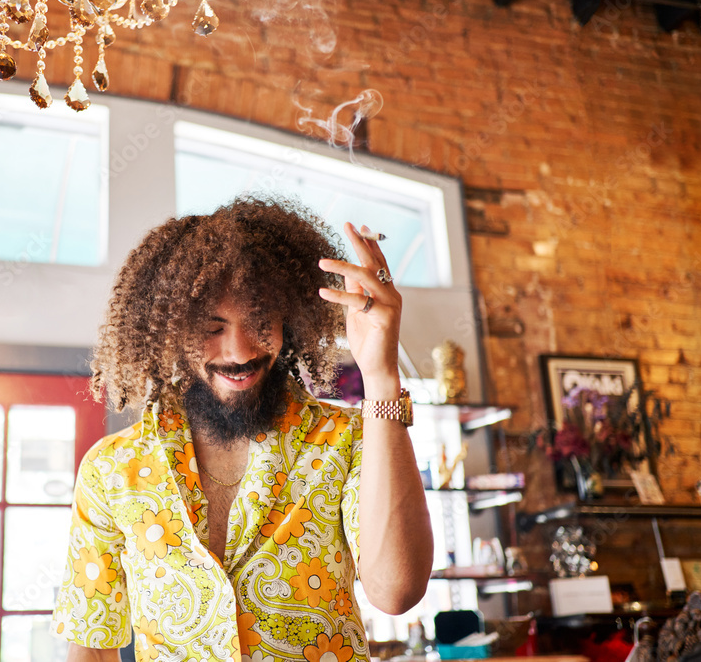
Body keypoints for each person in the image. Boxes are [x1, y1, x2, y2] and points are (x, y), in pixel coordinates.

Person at [53, 197, 434, 661]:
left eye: (259, 321)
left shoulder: (349, 438)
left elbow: (396, 592)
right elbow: (91, 646)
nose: (238, 351)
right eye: (211, 328)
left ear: (288, 320)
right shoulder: (111, 470)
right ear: (170, 330)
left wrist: (380, 375)